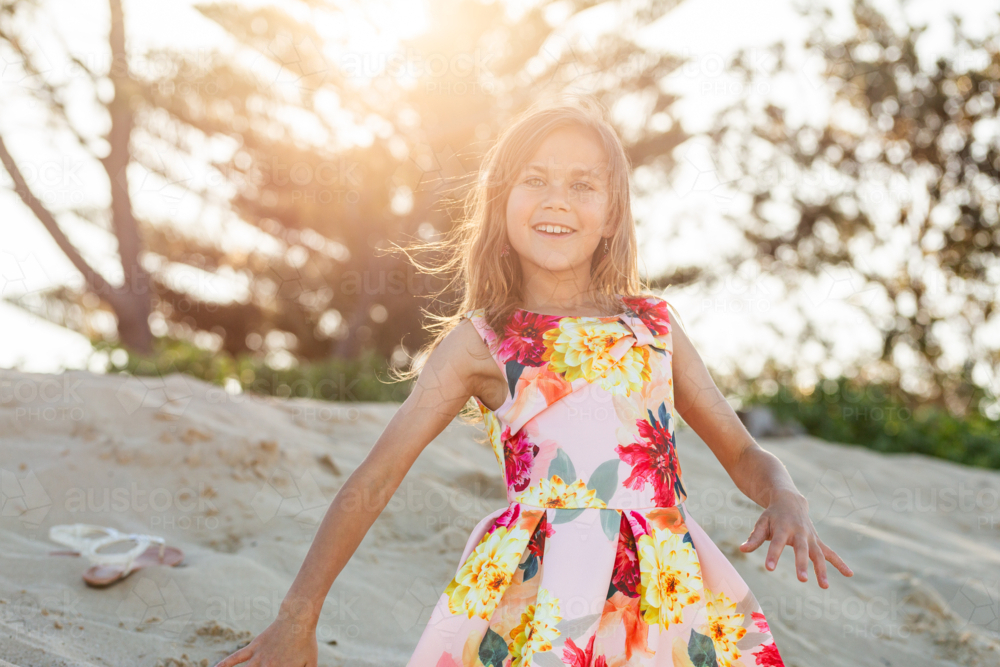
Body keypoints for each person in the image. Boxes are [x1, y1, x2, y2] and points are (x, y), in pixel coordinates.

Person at [215, 95, 853, 667]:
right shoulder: (480, 342)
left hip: (665, 588)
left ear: (611, 214)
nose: (557, 200)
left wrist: (784, 494)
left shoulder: (653, 326)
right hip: (538, 591)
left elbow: (742, 451)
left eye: (582, 185)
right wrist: (296, 620)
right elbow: (376, 477)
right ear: (502, 202)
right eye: (536, 181)